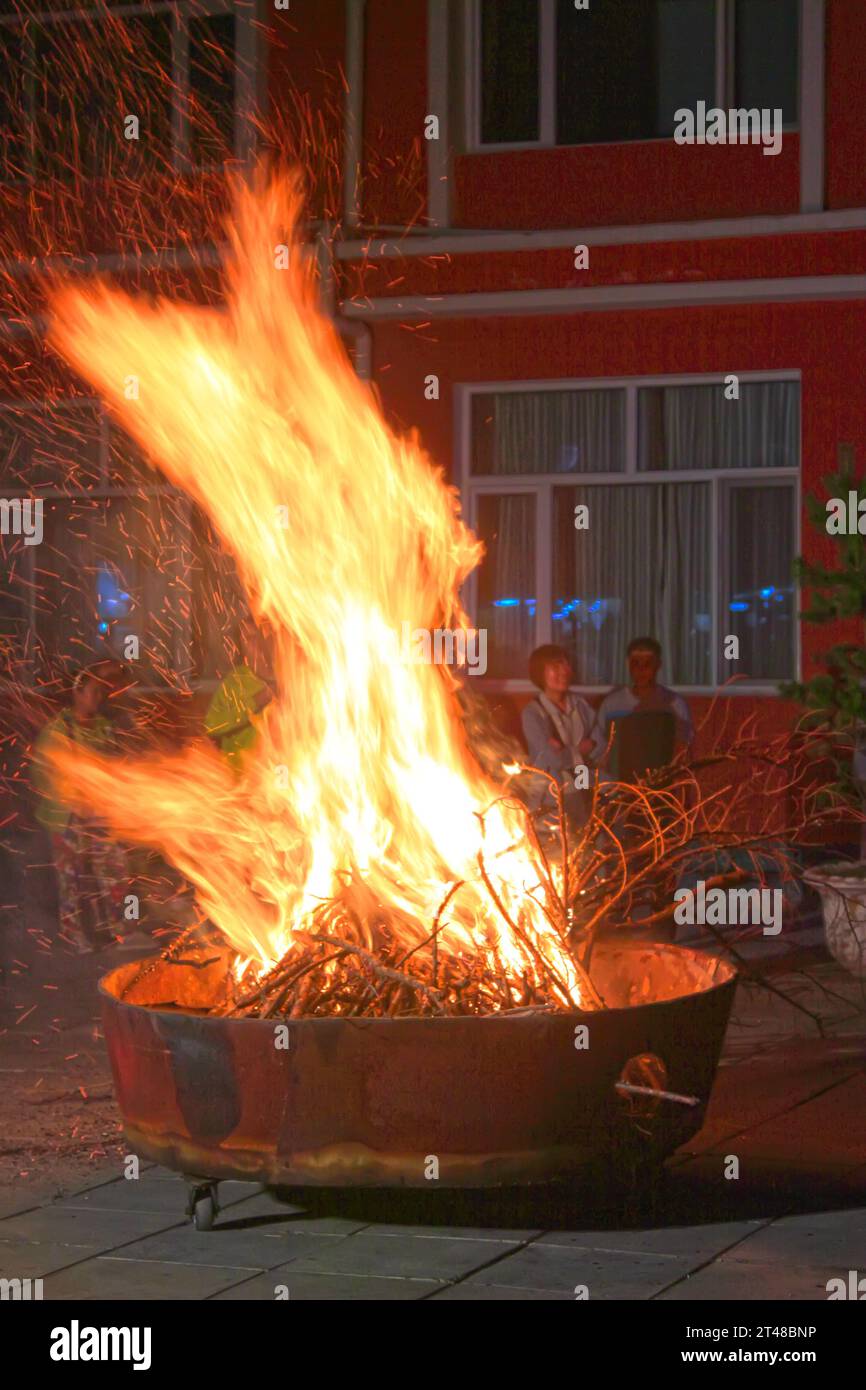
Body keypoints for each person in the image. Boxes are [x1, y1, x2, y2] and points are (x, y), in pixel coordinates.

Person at [32, 666, 129, 955]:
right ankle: (73, 935)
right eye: (94, 691)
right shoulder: (56, 732)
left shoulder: (104, 727)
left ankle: (121, 930)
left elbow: (113, 765)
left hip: (99, 815)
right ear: (77, 691)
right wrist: (75, 803)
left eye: (103, 691)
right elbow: (45, 777)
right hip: (66, 820)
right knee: (70, 881)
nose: (100, 697)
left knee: (116, 869)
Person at [521, 644, 606, 826]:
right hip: (551, 793)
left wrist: (567, 752)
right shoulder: (533, 713)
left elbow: (599, 745)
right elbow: (552, 759)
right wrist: (579, 751)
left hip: (583, 784)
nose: (565, 670)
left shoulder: (580, 705)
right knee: (556, 847)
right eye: (556, 666)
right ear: (540, 673)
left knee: (588, 838)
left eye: (567, 665)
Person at [597, 636, 694, 780]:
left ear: (658, 665)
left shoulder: (674, 703)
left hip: (661, 785)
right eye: (635, 663)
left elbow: (684, 749)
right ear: (628, 665)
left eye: (647, 664)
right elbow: (601, 749)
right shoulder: (612, 704)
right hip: (621, 785)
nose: (641, 670)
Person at [204, 615, 274, 772]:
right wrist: (254, 703)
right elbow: (212, 726)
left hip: (277, 780)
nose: (254, 644)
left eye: (257, 636)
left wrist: (281, 788)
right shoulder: (235, 681)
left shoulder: (291, 680)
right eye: (247, 638)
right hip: (239, 782)